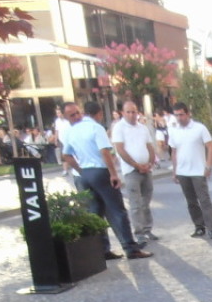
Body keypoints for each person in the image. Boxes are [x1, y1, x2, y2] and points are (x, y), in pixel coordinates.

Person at [60, 100, 150, 260]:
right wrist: (113, 174)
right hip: (99, 171)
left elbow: (66, 155)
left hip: (84, 175)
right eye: (72, 115)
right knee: (117, 211)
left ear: (81, 111)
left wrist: (81, 169)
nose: (76, 116)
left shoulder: (70, 131)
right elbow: (105, 152)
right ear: (99, 114)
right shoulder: (96, 127)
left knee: (95, 213)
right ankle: (130, 248)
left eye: (77, 112)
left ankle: (102, 250)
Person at [167, 101, 212, 240]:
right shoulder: (173, 130)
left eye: (181, 115)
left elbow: (211, 147)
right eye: (176, 115)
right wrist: (174, 171)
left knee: (204, 200)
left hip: (198, 171)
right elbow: (174, 152)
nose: (179, 118)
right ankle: (199, 226)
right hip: (183, 172)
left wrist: (208, 166)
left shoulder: (199, 128)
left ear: (188, 114)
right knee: (191, 202)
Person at [111, 100, 158, 246]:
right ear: (123, 113)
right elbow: (120, 149)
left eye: (134, 111)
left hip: (146, 169)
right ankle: (139, 233)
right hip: (131, 170)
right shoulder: (119, 128)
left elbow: (150, 146)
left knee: (146, 201)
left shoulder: (142, 128)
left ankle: (147, 228)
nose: (132, 115)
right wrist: (136, 165)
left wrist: (150, 163)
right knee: (136, 203)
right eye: (129, 112)